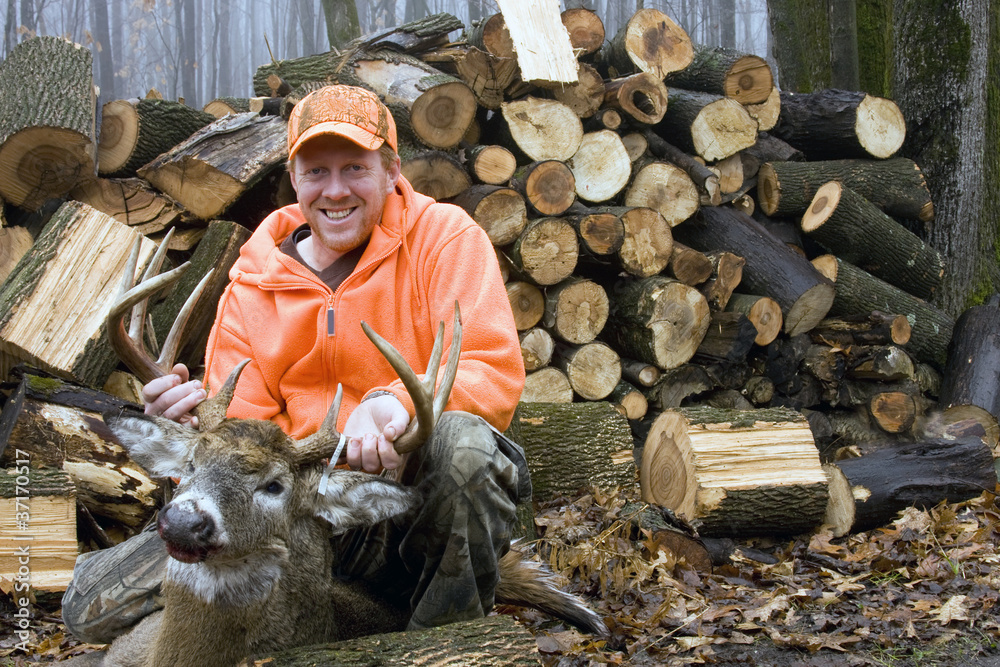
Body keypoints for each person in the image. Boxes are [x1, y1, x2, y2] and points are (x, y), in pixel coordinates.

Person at [62, 84, 528, 642]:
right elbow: (247, 431)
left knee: (466, 448)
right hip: (295, 508)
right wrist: (197, 422)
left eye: (354, 168)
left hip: (406, 502)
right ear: (294, 175)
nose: (335, 191)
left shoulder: (445, 240)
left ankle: (442, 642)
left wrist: (395, 406)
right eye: (316, 171)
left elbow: (489, 364)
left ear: (391, 170)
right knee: (87, 610)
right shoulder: (254, 281)